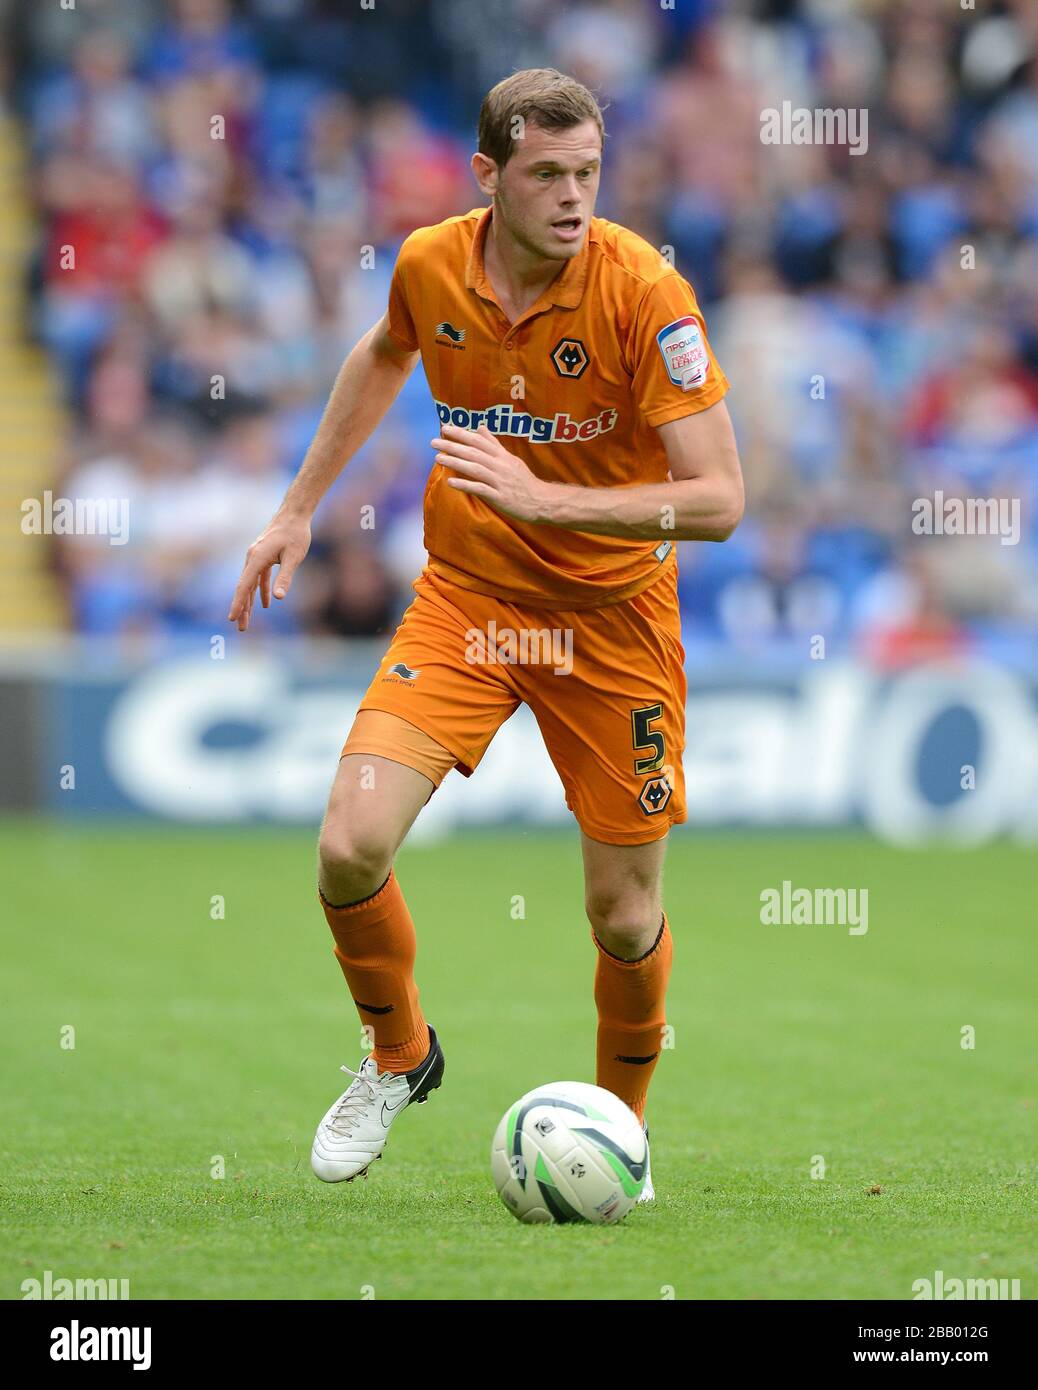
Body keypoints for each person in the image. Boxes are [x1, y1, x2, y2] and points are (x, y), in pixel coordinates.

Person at [228, 68, 744, 1201]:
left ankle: (622, 1134)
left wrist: (549, 498)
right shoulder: (430, 264)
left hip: (612, 622)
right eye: (548, 175)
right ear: (489, 177)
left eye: (588, 175)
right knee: (347, 845)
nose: (572, 198)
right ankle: (399, 1053)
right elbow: (381, 355)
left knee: (624, 914)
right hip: (469, 602)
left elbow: (719, 500)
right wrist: (297, 506)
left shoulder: (646, 293)